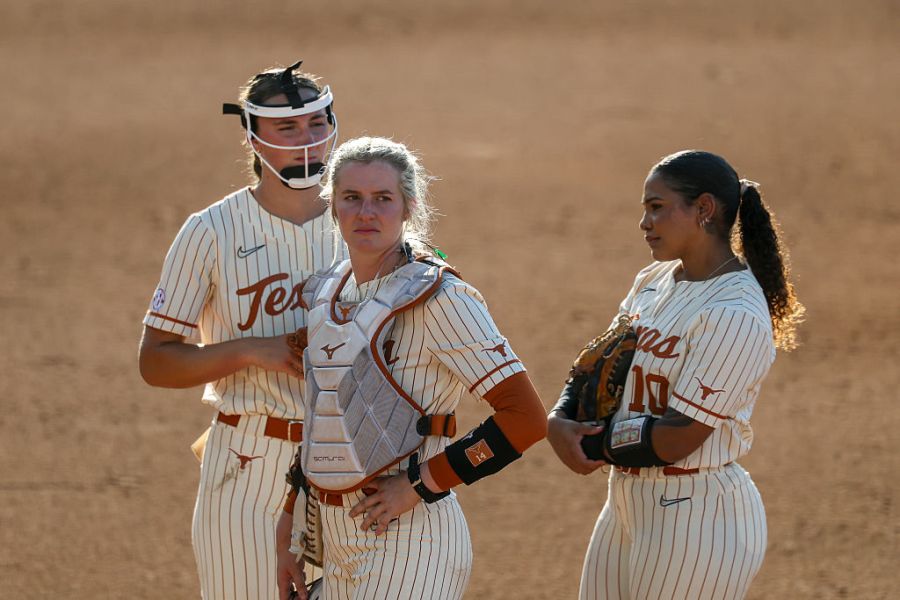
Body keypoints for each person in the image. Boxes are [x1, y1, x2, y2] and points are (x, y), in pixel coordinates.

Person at [274, 136, 547, 600]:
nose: (367, 212)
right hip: (336, 540)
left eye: (383, 199)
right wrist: (290, 521)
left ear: (408, 208)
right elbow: (323, 417)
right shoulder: (326, 294)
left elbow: (526, 419)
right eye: (352, 198)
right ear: (333, 207)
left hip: (411, 539)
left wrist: (421, 485)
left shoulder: (442, 299)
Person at [547, 150, 805, 600]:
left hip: (697, 515)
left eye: (657, 207)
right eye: (645, 209)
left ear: (703, 209)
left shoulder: (735, 312)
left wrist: (588, 442)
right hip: (626, 500)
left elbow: (678, 437)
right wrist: (560, 417)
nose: (644, 223)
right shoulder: (653, 279)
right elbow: (599, 364)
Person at [138, 60, 344, 599]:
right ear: (253, 136)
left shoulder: (365, 217)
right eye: (287, 129)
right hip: (250, 462)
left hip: (356, 454)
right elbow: (156, 360)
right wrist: (257, 350)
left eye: (317, 124)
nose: (308, 142)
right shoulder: (210, 231)